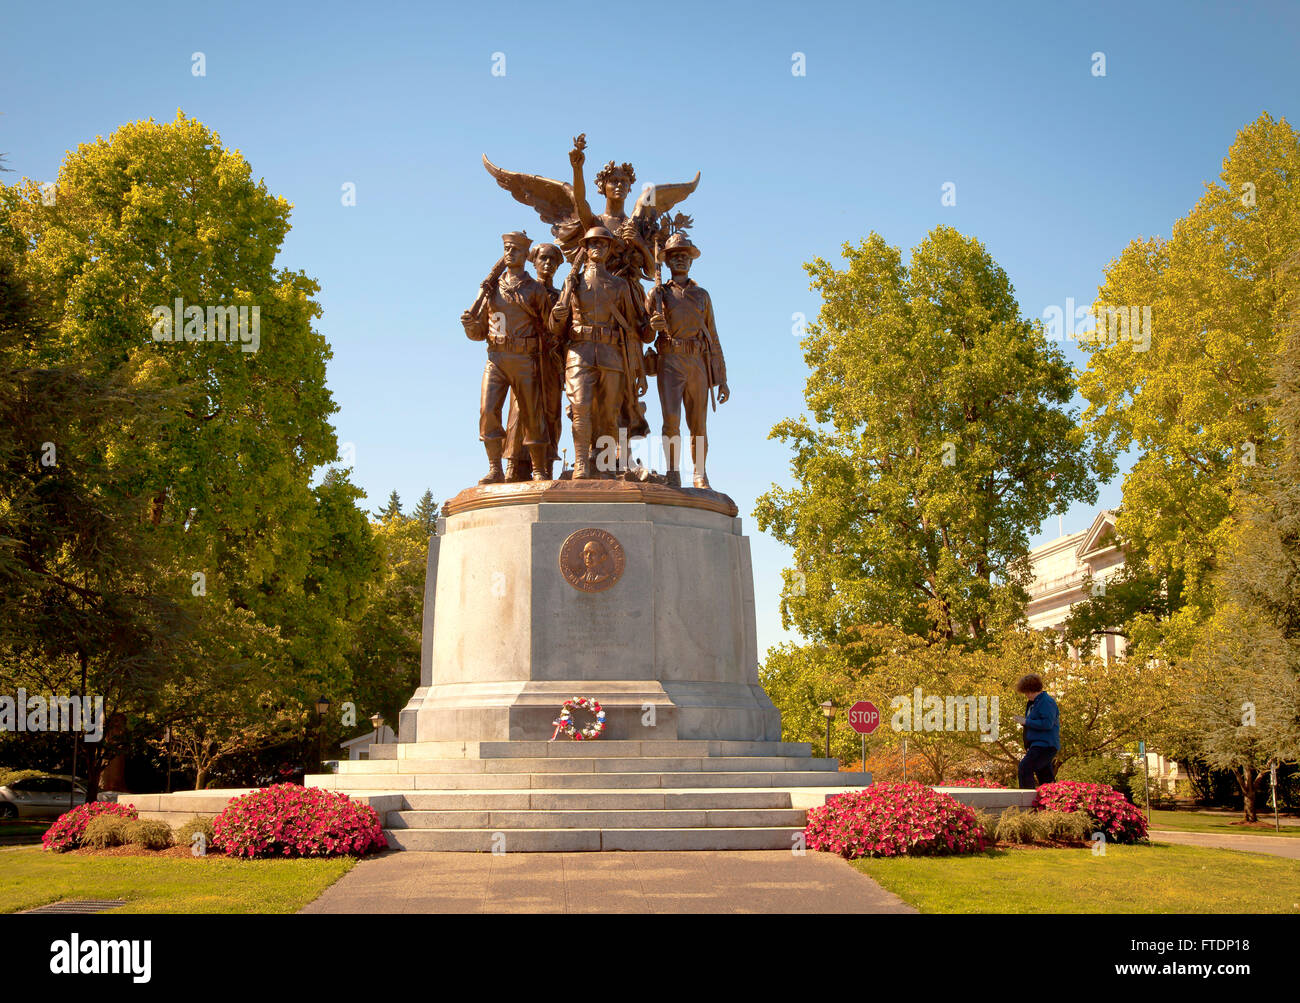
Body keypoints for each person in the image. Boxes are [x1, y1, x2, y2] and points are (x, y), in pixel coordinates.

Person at [461, 231, 553, 483]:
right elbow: (480, 332)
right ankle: (494, 468)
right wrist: (470, 325)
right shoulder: (491, 290)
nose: (510, 253)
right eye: (507, 249)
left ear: (525, 255)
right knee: (488, 411)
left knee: (532, 415)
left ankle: (538, 469)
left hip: (525, 359)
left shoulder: (535, 290)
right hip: (496, 359)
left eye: (515, 250)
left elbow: (550, 327)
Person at [645, 233, 730, 488]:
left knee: (698, 424)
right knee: (671, 421)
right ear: (668, 261)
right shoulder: (657, 293)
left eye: (685, 256)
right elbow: (644, 333)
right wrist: (653, 323)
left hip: (697, 363)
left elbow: (713, 336)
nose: (680, 259)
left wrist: (722, 378)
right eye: (675, 256)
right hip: (669, 360)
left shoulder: (702, 295)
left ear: (691, 262)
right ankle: (672, 472)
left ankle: (700, 474)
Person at [1012, 674, 1059, 789]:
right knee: (1045, 778)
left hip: (1045, 745)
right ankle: (1052, 802)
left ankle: (1026, 802)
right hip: (1036, 744)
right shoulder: (1034, 703)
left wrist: (1026, 721)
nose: (1026, 695)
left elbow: (1047, 723)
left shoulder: (1046, 702)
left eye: (1027, 692)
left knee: (1025, 768)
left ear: (1031, 689)